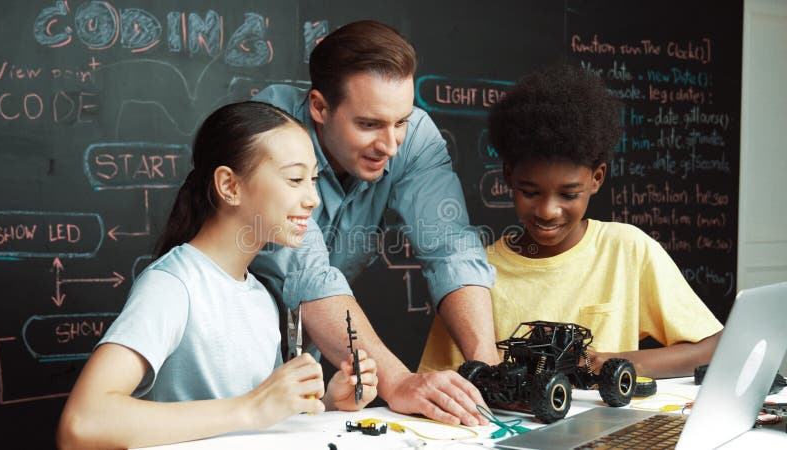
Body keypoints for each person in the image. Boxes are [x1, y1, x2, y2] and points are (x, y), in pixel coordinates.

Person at [56, 102, 377, 450]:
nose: (313, 198)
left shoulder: (259, 296)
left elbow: (258, 426)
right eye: (295, 179)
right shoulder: (172, 286)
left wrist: (328, 405)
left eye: (314, 179)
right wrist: (252, 407)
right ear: (230, 186)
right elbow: (82, 424)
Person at [251, 20, 498, 426]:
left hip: (304, 369)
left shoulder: (412, 136)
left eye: (400, 121)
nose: (389, 145)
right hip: (222, 360)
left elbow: (450, 246)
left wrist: (487, 370)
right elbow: (308, 274)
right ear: (319, 107)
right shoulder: (271, 132)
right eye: (368, 124)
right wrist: (398, 381)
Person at [418, 64, 722, 379]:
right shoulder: (472, 279)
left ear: (597, 178)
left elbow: (713, 347)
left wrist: (610, 364)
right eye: (530, 191)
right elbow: (447, 382)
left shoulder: (628, 250)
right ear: (509, 175)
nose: (549, 210)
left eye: (569, 194)